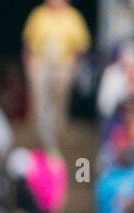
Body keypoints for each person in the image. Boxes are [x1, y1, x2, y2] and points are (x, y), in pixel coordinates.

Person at [22, 0, 91, 149]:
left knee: (59, 104)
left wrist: (73, 63)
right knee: (40, 103)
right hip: (41, 63)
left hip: (63, 65)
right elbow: (27, 43)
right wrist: (30, 62)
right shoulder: (39, 14)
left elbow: (81, 46)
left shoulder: (73, 16)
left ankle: (58, 138)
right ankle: (43, 140)